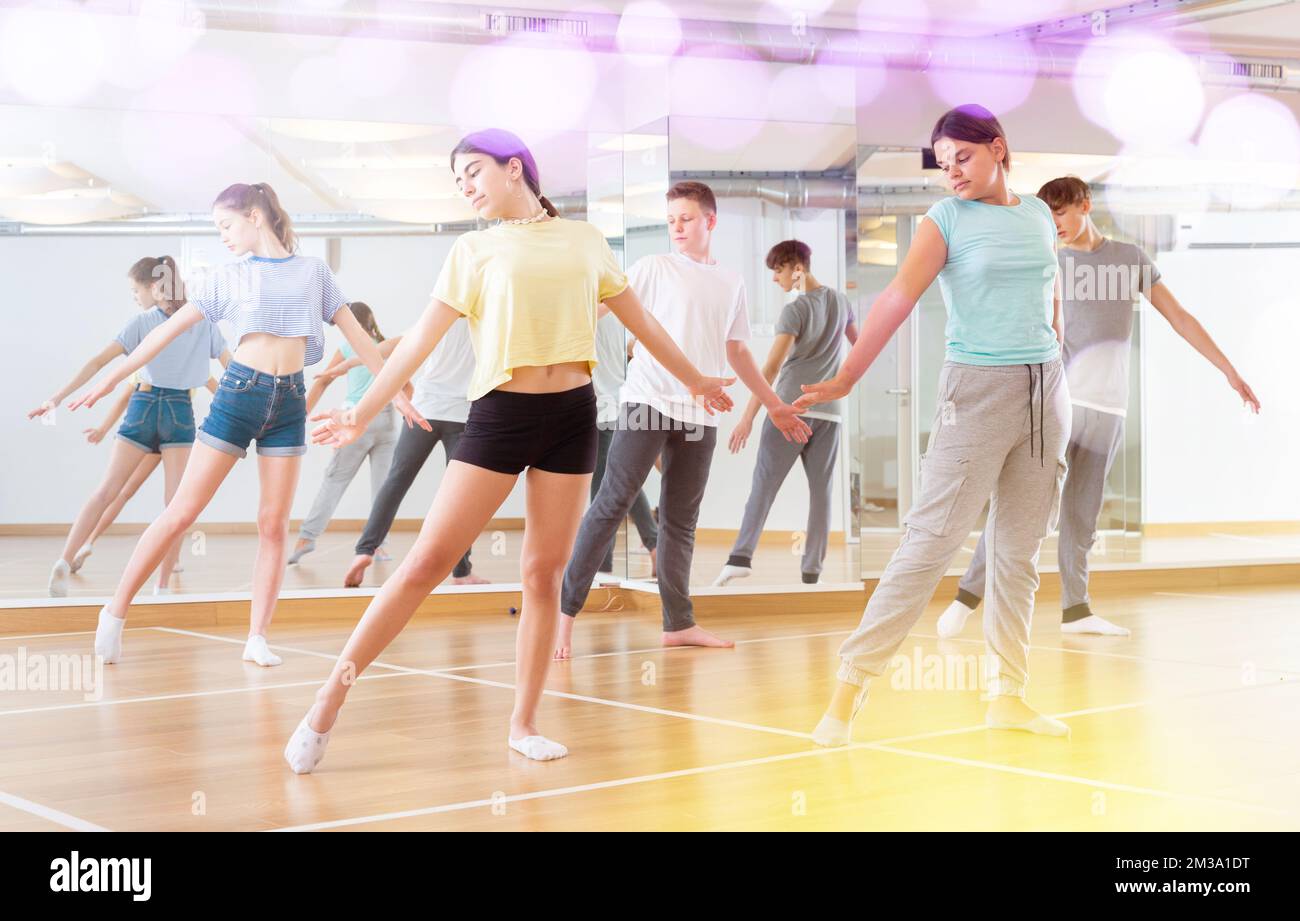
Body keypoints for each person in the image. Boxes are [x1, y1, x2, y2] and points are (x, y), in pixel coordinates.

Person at [284, 129, 733, 771]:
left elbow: (643, 323)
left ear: (515, 168)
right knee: (426, 561)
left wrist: (692, 378)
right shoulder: (473, 250)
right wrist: (361, 409)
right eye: (458, 178)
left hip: (573, 415)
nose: (464, 186)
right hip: (500, 414)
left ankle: (523, 723)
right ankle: (328, 700)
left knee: (542, 574)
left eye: (472, 172)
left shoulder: (584, 240)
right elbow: (416, 343)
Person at [800, 104, 1073, 746]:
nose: (952, 173)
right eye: (944, 163)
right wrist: (847, 375)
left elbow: (1047, 292)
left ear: (998, 148)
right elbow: (897, 297)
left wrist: (1055, 353)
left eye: (964, 158)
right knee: (928, 543)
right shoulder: (943, 220)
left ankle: (1008, 695)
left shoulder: (1036, 214)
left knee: (1017, 555)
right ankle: (848, 694)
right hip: (976, 393)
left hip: (1046, 394)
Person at [67, 182, 423, 667]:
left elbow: (359, 338)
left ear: (255, 216)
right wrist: (113, 379)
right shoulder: (227, 276)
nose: (223, 236)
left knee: (273, 524)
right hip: (238, 394)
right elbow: (164, 333)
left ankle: (257, 636)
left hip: (290, 401)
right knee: (181, 513)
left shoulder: (314, 272)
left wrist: (396, 392)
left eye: (226, 225)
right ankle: (114, 612)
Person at [937, 176, 1261, 639]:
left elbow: (1181, 318)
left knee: (1082, 515)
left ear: (1085, 204)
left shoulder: (1130, 259)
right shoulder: (1046, 261)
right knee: (1026, 509)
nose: (1056, 225)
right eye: (1048, 217)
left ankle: (1076, 611)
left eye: (1062, 213)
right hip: (1057, 401)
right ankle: (966, 599)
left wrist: (1229, 371)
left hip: (1109, 408)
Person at [556, 181, 812, 659]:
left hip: (701, 411)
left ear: (710, 222)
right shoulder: (653, 268)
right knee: (612, 503)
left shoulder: (731, 281)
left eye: (687, 218)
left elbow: (737, 350)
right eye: (671, 219)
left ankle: (679, 623)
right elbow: (604, 308)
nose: (677, 227)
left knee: (680, 520)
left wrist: (772, 404)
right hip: (647, 403)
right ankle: (563, 615)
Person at [30, 256, 228, 597]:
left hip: (143, 405)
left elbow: (97, 362)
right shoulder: (204, 323)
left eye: (136, 290)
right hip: (180, 410)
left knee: (105, 491)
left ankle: (65, 558)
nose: (134, 297)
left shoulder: (142, 322)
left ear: (153, 287)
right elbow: (232, 371)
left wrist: (56, 398)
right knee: (175, 506)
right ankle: (162, 585)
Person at [715, 239, 857, 587]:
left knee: (764, 484)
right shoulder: (842, 301)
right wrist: (839, 383)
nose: (775, 279)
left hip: (789, 408)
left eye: (778, 270)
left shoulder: (796, 309)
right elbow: (860, 348)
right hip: (830, 413)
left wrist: (747, 417)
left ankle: (740, 557)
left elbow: (771, 367)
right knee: (821, 493)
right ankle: (812, 572)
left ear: (797, 267)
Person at [342, 318, 488, 587]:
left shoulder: (440, 315)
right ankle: (462, 571)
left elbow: (391, 347)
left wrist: (349, 363)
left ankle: (364, 550)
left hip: (423, 409)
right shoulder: (489, 319)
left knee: (396, 481)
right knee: (461, 496)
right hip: (463, 415)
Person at [288, 302, 400, 566]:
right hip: (387, 421)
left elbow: (324, 380)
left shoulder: (349, 348)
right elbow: (402, 385)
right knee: (383, 488)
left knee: (335, 480)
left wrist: (300, 413)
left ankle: (306, 538)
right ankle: (377, 546)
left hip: (355, 419)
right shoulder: (387, 347)